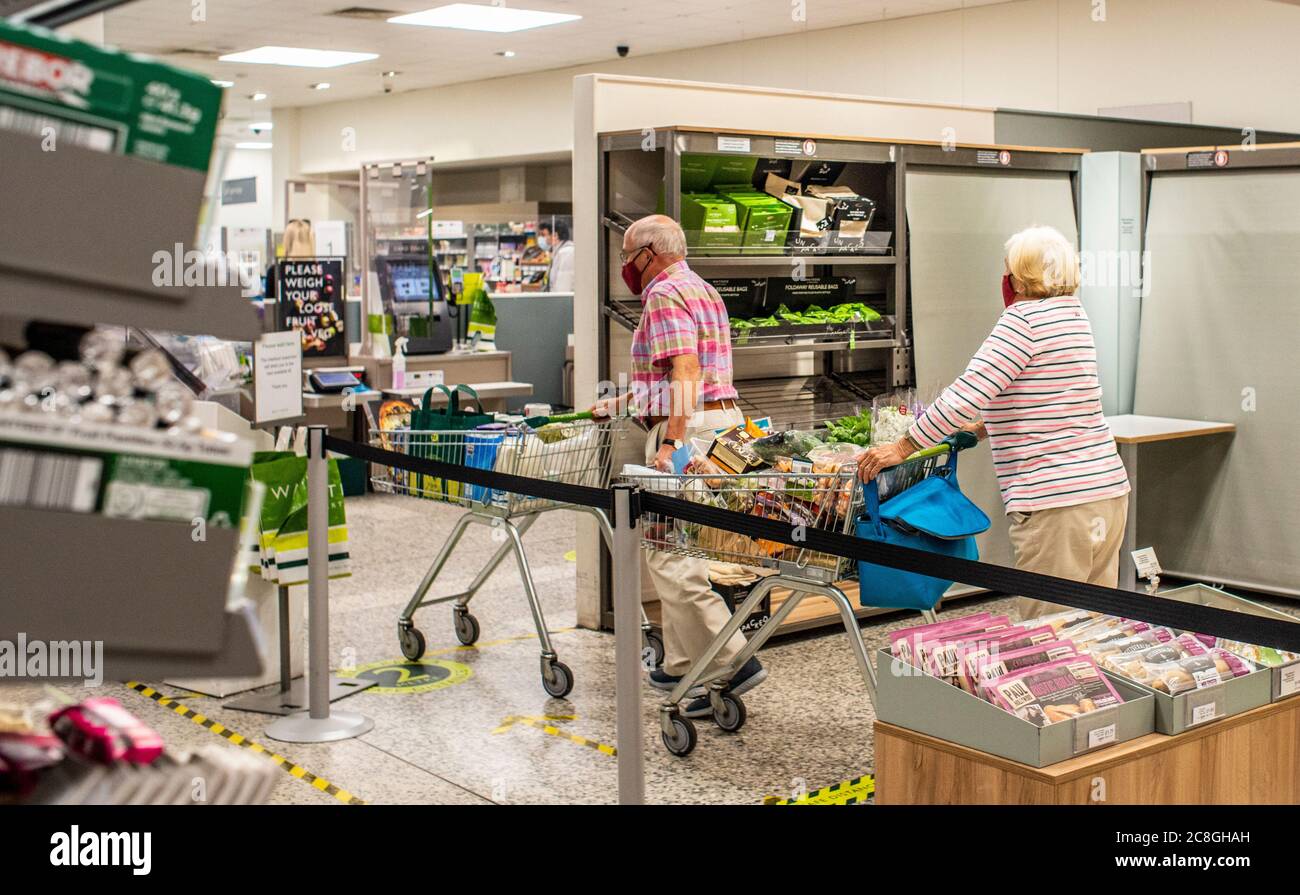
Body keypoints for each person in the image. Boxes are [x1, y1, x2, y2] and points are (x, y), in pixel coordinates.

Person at [858, 225, 1130, 620]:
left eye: (1009, 270)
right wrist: (984, 427)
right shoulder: (1074, 315)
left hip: (1055, 502)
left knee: (1050, 627)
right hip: (1106, 493)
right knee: (1095, 625)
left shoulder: (1023, 320)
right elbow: (1054, 395)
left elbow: (965, 394)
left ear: (1020, 277)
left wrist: (902, 448)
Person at [590, 214, 766, 715]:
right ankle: (687, 664)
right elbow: (690, 372)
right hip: (721, 427)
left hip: (689, 434)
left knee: (670, 554)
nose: (625, 265)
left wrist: (671, 442)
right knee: (685, 549)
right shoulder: (702, 289)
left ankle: (731, 660)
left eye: (628, 255)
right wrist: (624, 401)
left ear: (650, 252)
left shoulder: (664, 295)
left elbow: (686, 370)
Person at [264, 218, 316, 301]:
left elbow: (269, 308)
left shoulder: (275, 271)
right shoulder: (319, 271)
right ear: (311, 241)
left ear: (286, 242)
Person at [538, 219, 575, 292]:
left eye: (544, 235)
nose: (543, 239)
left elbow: (564, 287)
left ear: (555, 235)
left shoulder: (566, 253)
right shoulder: (558, 252)